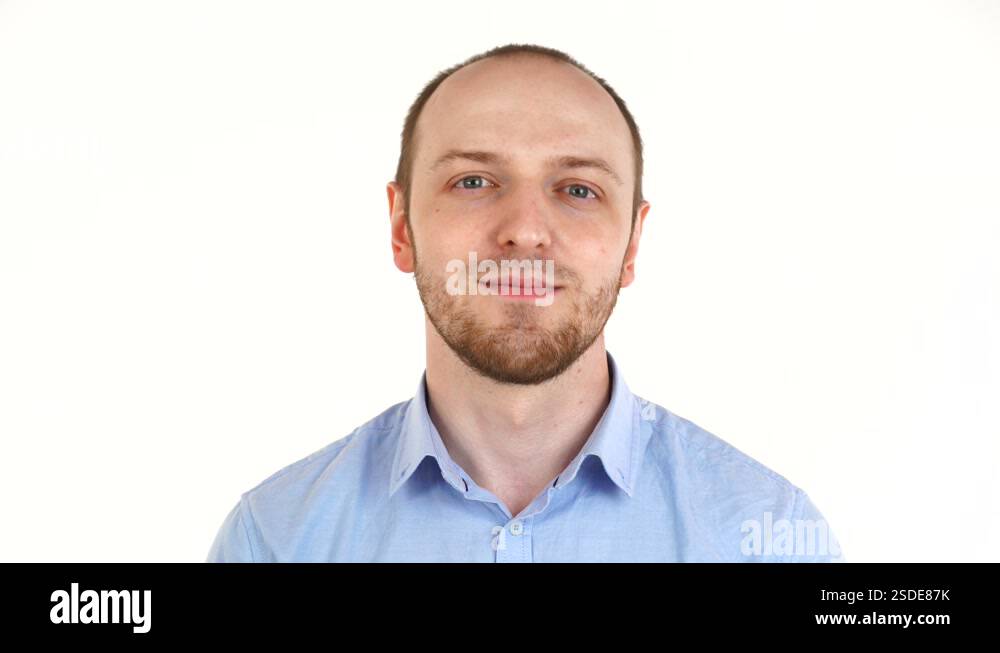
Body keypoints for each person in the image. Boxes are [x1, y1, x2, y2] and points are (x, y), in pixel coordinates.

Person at [206, 43, 844, 562]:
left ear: (631, 244)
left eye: (578, 189)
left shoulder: (769, 541)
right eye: (475, 181)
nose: (526, 229)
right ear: (402, 228)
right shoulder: (275, 542)